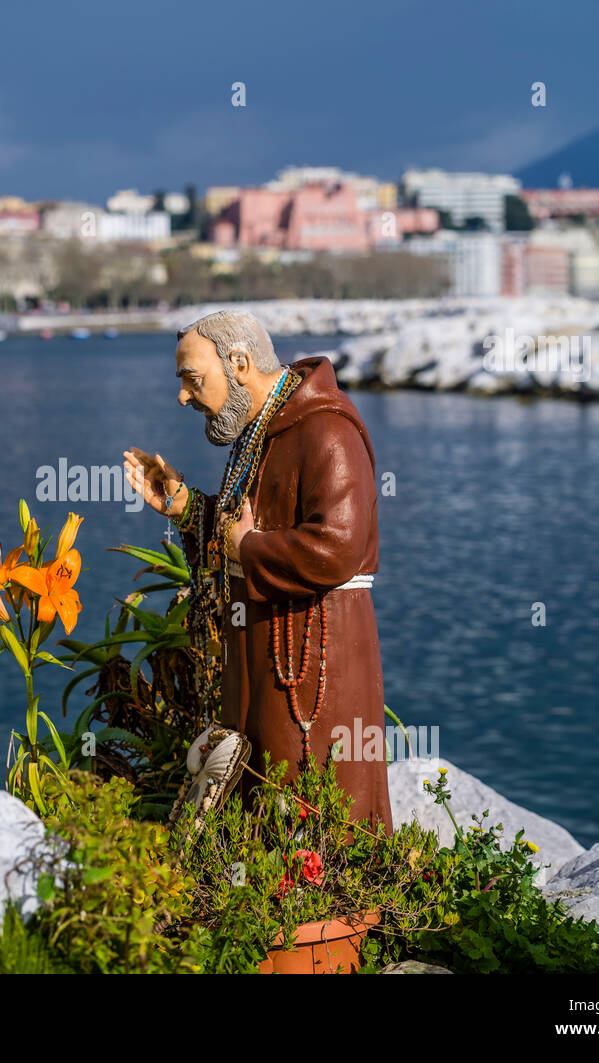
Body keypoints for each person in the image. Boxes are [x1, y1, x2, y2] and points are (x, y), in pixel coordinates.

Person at [124, 309, 393, 831]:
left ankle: (333, 910)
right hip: (267, 653)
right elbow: (239, 537)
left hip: (316, 657)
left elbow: (336, 548)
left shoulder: (327, 430)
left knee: (315, 801)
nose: (183, 398)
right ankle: (258, 901)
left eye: (193, 379)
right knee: (264, 802)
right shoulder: (261, 431)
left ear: (241, 363)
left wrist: (247, 548)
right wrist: (185, 507)